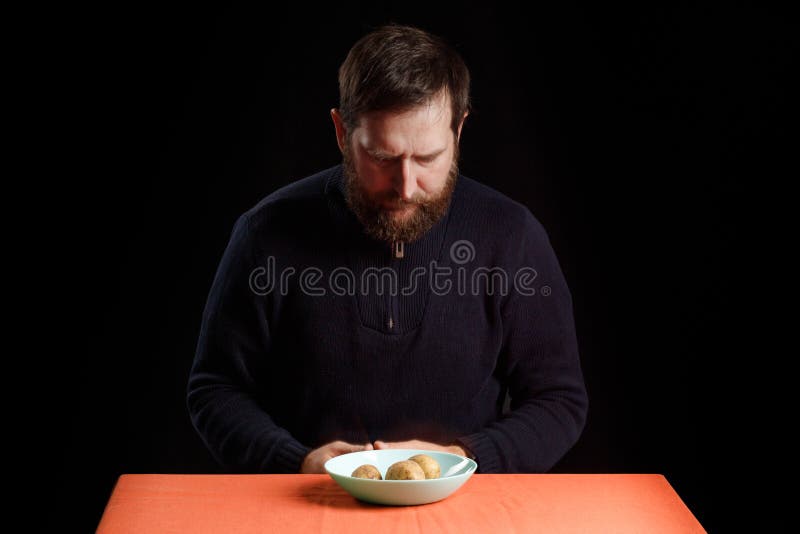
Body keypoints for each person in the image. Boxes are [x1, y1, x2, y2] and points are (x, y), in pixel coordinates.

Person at [187, 23, 587, 474]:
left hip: (466, 507)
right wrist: (295, 462)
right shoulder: (265, 233)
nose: (406, 186)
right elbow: (215, 389)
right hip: (303, 503)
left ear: (460, 130)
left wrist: (463, 459)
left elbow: (560, 400)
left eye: (428, 158)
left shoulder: (512, 236)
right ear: (342, 132)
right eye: (382, 157)